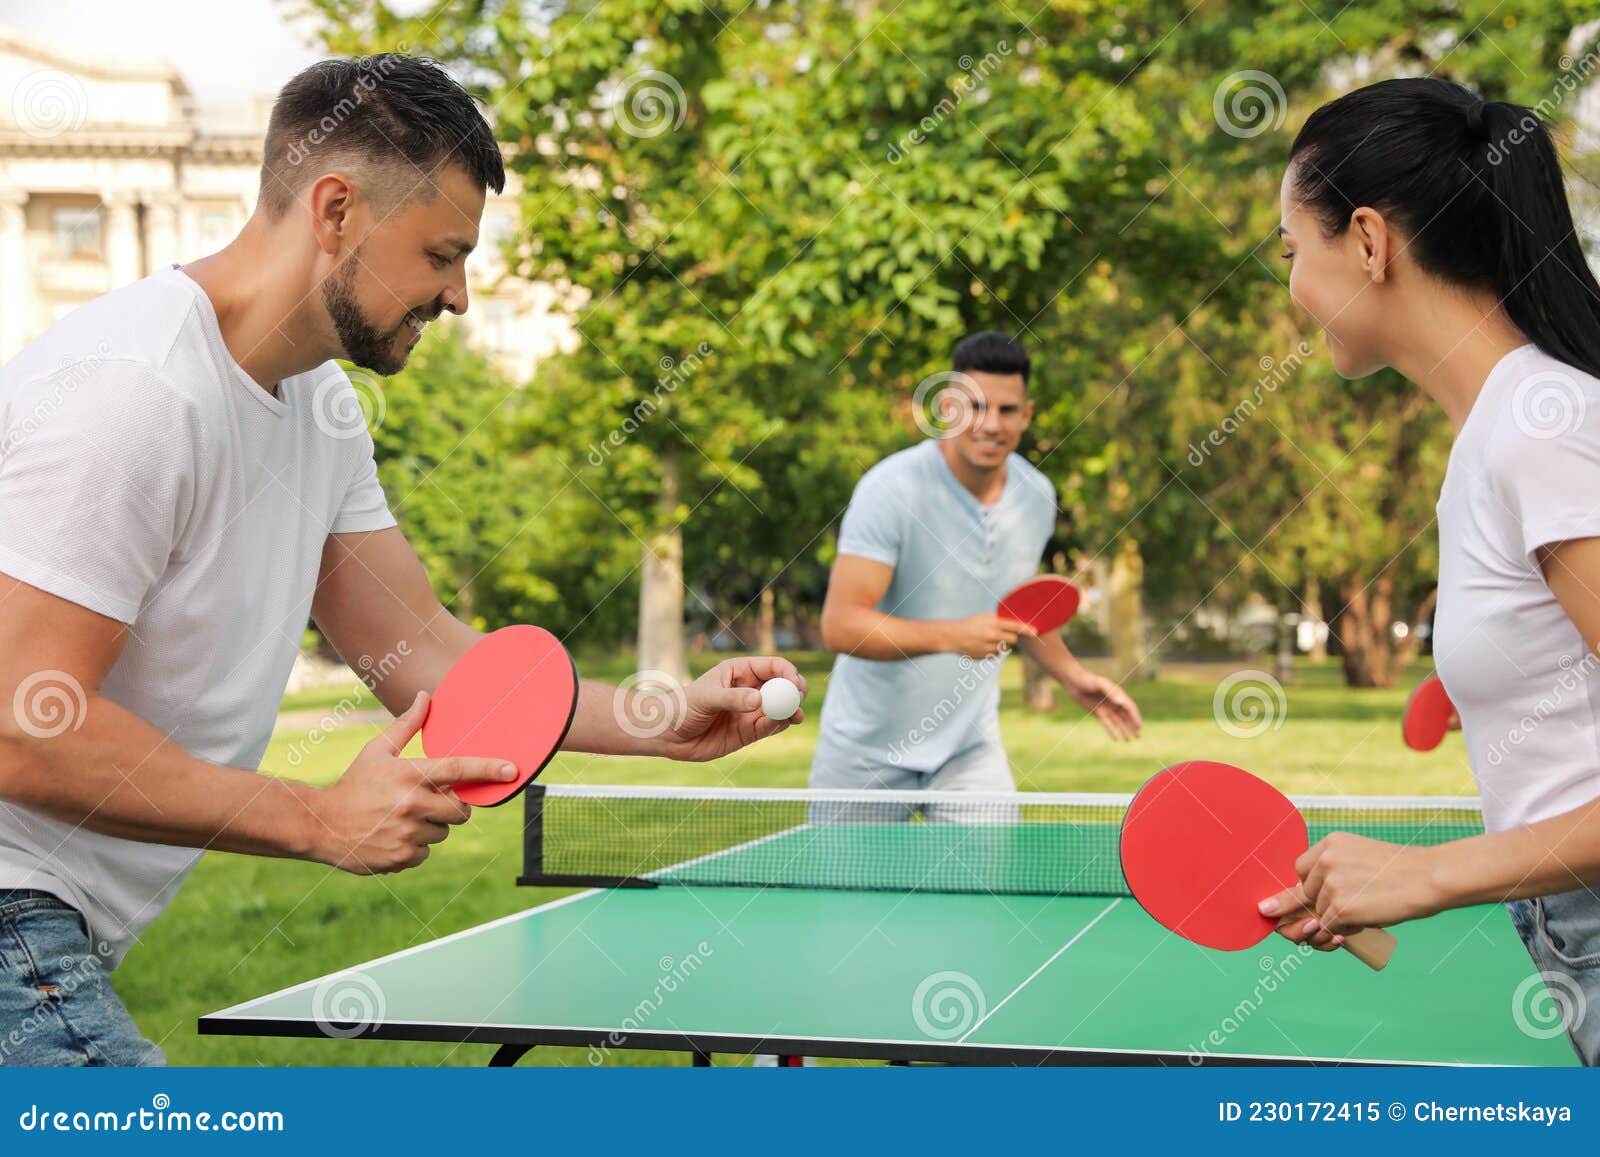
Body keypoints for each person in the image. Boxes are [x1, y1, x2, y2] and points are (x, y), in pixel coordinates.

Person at [0, 54, 804, 1067]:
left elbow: (416, 644)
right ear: (335, 212)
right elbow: (23, 725)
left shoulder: (321, 408)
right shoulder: (134, 390)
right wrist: (317, 817)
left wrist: (658, 716)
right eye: (442, 253)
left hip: (48, 921)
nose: (461, 295)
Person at [1260, 76, 1600, 1065]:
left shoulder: (1543, 428)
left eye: (1293, 251)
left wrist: (1429, 872)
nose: (1290, 290)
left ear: (1367, 241)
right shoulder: (1504, 428)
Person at [808, 330, 1142, 822]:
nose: (990, 425)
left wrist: (1074, 678)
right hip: (865, 749)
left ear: (1026, 415)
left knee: (990, 896)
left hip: (968, 747)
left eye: (1007, 410)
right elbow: (841, 625)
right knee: (850, 901)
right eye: (976, 407)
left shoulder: (1036, 495)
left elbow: (1016, 612)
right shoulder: (890, 490)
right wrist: (953, 636)